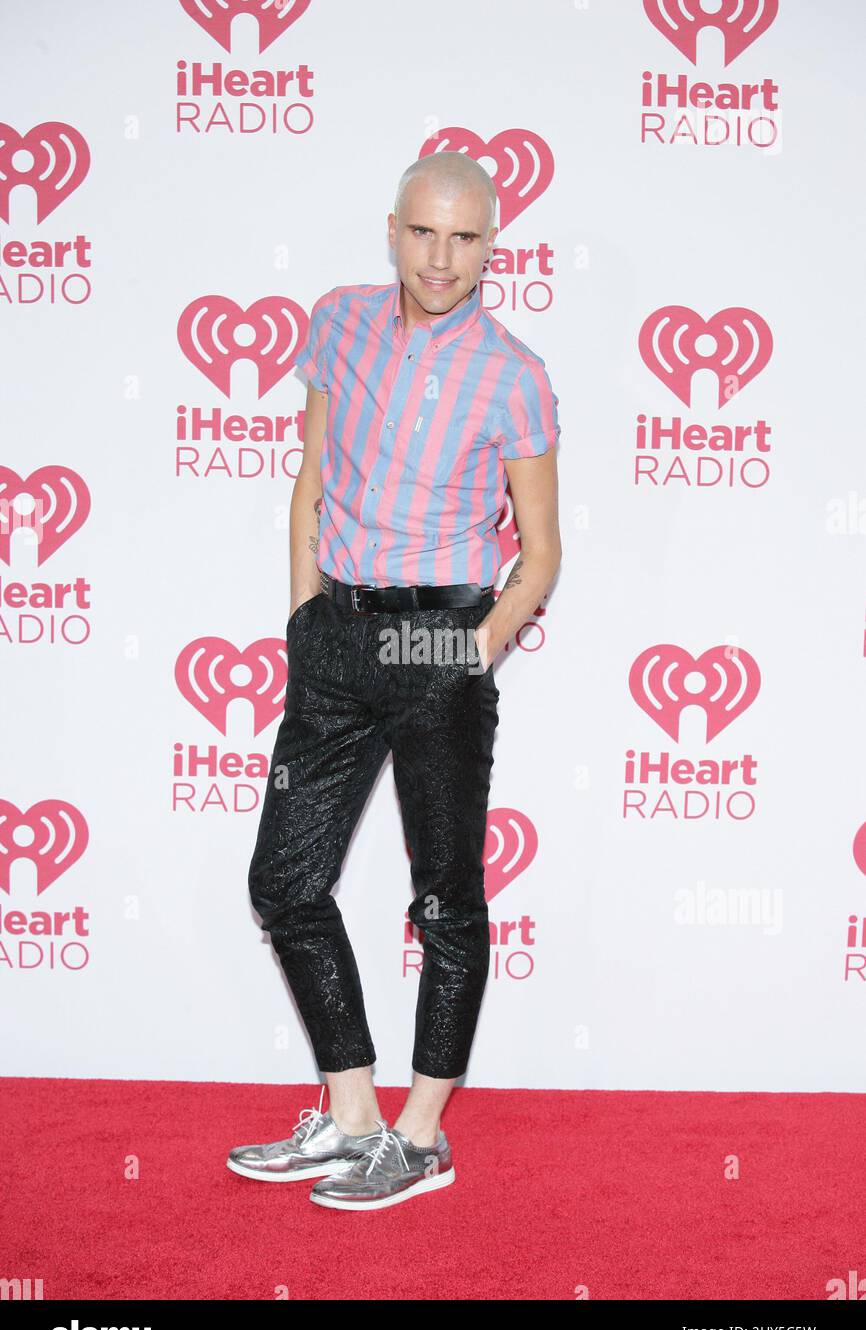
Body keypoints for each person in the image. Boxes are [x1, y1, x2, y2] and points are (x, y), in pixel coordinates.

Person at [227, 150, 561, 1211]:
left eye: (464, 238)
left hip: (437, 642)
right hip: (338, 629)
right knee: (284, 880)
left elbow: (540, 551)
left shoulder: (515, 372)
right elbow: (312, 475)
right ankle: (350, 1112)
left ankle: (418, 1138)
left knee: (445, 900)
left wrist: (470, 650)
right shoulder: (337, 322)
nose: (440, 258)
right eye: (423, 232)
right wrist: (300, 617)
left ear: (491, 243)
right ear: (392, 227)